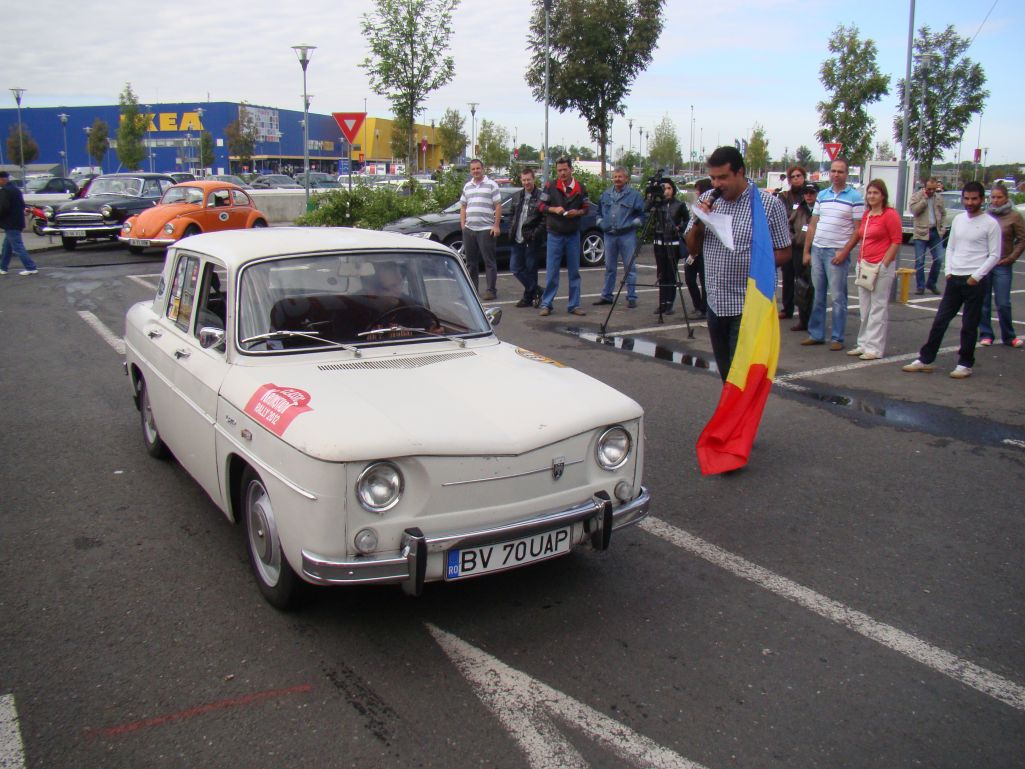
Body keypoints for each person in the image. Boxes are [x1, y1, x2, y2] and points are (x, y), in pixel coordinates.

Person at [685, 146, 791, 381]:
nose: (717, 184)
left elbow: (784, 252)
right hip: (715, 302)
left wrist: (755, 261)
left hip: (748, 306)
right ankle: (734, 418)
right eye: (713, 178)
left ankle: (743, 418)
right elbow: (692, 248)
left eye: (723, 177)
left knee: (743, 378)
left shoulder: (768, 205)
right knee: (727, 375)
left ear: (740, 172)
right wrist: (700, 222)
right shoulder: (707, 200)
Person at [903, 182, 1001, 379]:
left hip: (975, 280)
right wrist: (948, 270)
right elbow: (951, 247)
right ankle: (926, 358)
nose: (970, 202)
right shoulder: (958, 220)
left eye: (974, 199)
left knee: (969, 324)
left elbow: (995, 255)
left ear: (982, 199)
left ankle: (965, 363)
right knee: (940, 320)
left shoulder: (991, 224)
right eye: (967, 198)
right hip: (954, 278)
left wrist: (976, 276)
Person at [802, 158, 864, 351]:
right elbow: (813, 224)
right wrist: (807, 250)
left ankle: (837, 337)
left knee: (838, 297)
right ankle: (816, 333)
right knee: (818, 295)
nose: (836, 175)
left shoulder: (855, 197)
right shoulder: (822, 195)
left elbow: (857, 230)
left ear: (846, 174)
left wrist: (845, 251)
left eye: (840, 172)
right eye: (833, 171)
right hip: (818, 249)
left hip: (836, 252)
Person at [846, 179, 901, 360]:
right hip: (864, 264)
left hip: (880, 266)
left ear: (883, 195)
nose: (871, 196)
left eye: (875, 193)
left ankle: (874, 348)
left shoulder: (890, 215)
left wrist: (884, 263)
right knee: (865, 307)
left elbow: (896, 241)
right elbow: (860, 236)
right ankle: (863, 343)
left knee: (878, 307)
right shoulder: (867, 215)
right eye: (869, 193)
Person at [537, 157, 589, 317]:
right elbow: (540, 206)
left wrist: (577, 212)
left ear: (571, 169)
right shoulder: (550, 186)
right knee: (552, 272)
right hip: (555, 234)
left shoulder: (581, 187)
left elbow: (586, 208)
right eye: (559, 170)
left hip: (573, 234)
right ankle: (546, 304)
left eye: (565, 170)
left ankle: (574, 305)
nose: (562, 173)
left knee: (574, 272)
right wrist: (554, 209)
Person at [978, 183, 1024, 347]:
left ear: (1006, 198)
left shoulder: (1014, 216)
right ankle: (985, 333)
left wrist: (1012, 257)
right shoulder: (986, 215)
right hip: (985, 263)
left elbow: (1021, 239)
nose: (996, 201)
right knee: (983, 301)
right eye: (993, 197)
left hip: (1003, 263)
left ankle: (1009, 335)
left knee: (1003, 302)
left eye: (999, 197)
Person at [593, 167, 645, 309]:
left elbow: (642, 215)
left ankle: (632, 296)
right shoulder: (606, 195)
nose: (617, 179)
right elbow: (598, 214)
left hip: (627, 235)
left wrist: (630, 225)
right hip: (609, 235)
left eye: (620, 177)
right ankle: (607, 296)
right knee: (610, 267)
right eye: (615, 176)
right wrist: (602, 224)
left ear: (626, 179)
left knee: (630, 267)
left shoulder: (634, 196)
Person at [459, 159, 502, 300]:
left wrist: (496, 225)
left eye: (478, 168)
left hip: (486, 229)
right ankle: (473, 290)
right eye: (473, 169)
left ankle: (491, 290)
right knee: (471, 263)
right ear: (470, 171)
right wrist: (463, 224)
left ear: (483, 169)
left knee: (489, 261)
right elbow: (463, 206)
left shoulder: (491, 185)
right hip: (470, 229)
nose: (476, 171)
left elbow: (498, 206)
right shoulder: (467, 187)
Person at [646, 178, 688, 315]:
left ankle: (669, 302)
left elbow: (686, 220)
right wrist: (651, 199)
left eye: (669, 188)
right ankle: (662, 302)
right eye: (664, 188)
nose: (667, 191)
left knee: (671, 272)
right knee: (661, 272)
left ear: (674, 190)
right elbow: (645, 210)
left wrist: (679, 227)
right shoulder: (658, 205)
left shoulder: (679, 205)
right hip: (659, 242)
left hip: (673, 241)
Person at [509, 168, 545, 308]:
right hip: (517, 238)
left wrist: (535, 233)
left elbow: (544, 219)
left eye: (528, 179)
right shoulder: (517, 196)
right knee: (515, 268)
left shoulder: (541, 196)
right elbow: (512, 214)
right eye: (523, 180)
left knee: (531, 269)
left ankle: (528, 298)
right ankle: (538, 290)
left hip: (531, 239)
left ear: (533, 179)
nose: (526, 182)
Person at [775, 166, 808, 320]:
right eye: (793, 176)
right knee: (787, 277)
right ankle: (787, 309)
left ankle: (804, 312)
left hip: (804, 242)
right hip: (787, 241)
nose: (796, 179)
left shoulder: (809, 194)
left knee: (803, 279)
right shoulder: (784, 196)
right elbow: (781, 215)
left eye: (799, 176)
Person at [787, 183, 819, 331]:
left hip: (816, 250)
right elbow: (789, 226)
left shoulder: (821, 210)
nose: (808, 195)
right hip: (799, 250)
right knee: (801, 285)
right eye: (806, 193)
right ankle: (802, 319)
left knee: (815, 287)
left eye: (811, 192)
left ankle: (814, 320)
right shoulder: (799, 209)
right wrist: (792, 239)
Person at [908, 177, 946, 295]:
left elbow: (943, 213)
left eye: (934, 189)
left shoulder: (938, 198)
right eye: (929, 189)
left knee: (939, 258)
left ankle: (931, 283)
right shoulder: (917, 196)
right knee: (920, 261)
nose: (931, 191)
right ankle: (920, 286)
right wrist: (924, 200)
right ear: (924, 187)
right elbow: (914, 211)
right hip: (921, 232)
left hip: (935, 231)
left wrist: (942, 227)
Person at [0, 171, 39, 276]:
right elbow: (22, 205)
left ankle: (31, 267)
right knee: (6, 247)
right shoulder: (16, 190)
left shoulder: (5, 191)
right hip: (17, 221)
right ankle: (3, 267)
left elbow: (3, 208)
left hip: (10, 223)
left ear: (2, 180)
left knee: (17, 247)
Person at [683, 178, 712, 317]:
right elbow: (688, 230)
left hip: (705, 251)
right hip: (693, 252)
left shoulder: (713, 207)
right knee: (689, 278)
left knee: (705, 281)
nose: (696, 193)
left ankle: (705, 309)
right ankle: (697, 305)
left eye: (698, 190)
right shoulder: (697, 208)